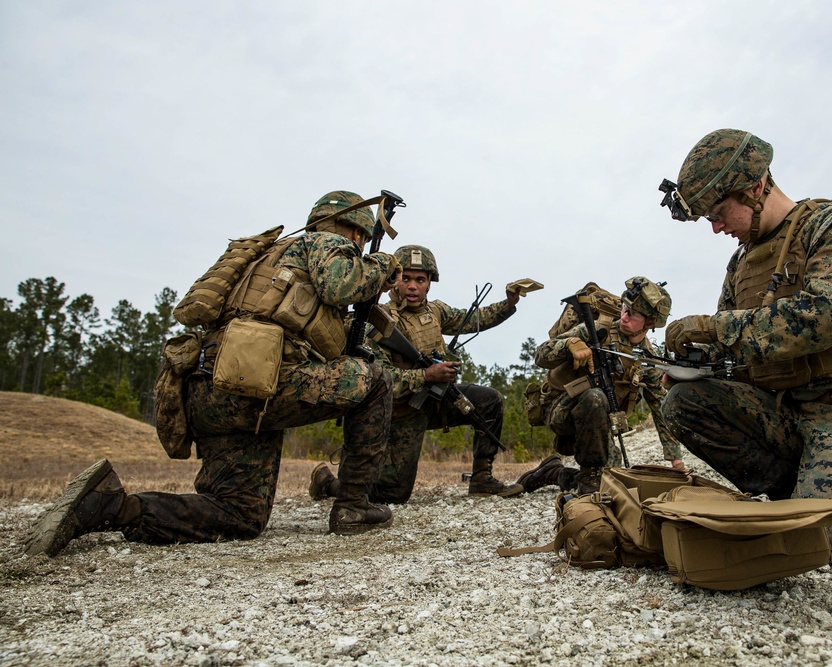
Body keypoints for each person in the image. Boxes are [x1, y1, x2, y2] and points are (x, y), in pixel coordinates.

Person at [26, 190, 402, 557]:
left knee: (240, 514)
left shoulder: (263, 261)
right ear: (355, 232)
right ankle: (353, 505)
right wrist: (383, 264)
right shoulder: (322, 243)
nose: (359, 242)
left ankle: (111, 507)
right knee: (375, 381)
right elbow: (341, 285)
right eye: (362, 237)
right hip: (256, 385)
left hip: (210, 390)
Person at [657, 128, 832, 562]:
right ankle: (800, 491)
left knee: (821, 539)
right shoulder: (743, 262)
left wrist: (713, 328)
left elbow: (827, 317)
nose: (716, 227)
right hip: (788, 411)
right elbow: (737, 350)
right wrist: (696, 365)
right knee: (684, 401)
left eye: (719, 212)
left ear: (755, 187)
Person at [309, 244, 524, 504]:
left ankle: (481, 479)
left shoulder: (436, 311)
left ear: (429, 284)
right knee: (392, 494)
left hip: (436, 400)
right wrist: (426, 376)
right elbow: (380, 377)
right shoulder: (379, 321)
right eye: (406, 279)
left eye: (420, 280)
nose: (412, 286)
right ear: (394, 282)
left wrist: (509, 303)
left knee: (489, 401)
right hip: (400, 411)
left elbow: (475, 318)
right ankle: (328, 483)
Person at [516, 277, 681, 496]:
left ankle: (555, 473)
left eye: (633, 314)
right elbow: (541, 354)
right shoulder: (596, 330)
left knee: (615, 480)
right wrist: (569, 345)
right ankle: (587, 478)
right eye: (624, 308)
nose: (623, 316)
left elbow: (659, 405)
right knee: (595, 398)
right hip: (563, 410)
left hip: (602, 424)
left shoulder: (646, 358)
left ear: (650, 323)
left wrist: (675, 459)